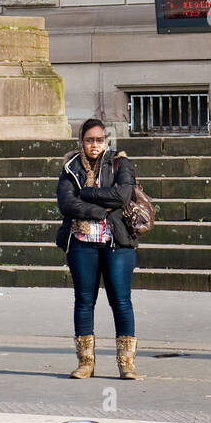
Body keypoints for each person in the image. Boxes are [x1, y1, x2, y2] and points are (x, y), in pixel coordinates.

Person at [55, 118, 141, 379]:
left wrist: (87, 193)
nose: (95, 145)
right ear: (81, 141)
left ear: (106, 141)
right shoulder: (71, 168)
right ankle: (85, 363)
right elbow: (67, 204)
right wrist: (101, 211)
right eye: (90, 140)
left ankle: (126, 364)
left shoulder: (120, 163)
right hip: (82, 244)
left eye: (99, 140)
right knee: (83, 302)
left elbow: (123, 196)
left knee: (121, 301)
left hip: (117, 243)